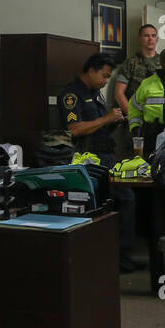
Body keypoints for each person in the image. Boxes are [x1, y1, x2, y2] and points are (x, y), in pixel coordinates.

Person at [59, 53, 144, 273]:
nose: (106, 81)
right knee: (121, 200)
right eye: (104, 76)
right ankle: (117, 257)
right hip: (89, 158)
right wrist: (106, 118)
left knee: (122, 201)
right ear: (91, 70)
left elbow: (96, 126)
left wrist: (114, 122)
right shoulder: (72, 95)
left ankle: (120, 254)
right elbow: (75, 129)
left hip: (106, 154)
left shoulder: (95, 94)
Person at [114, 23, 161, 118]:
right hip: (136, 113)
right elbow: (119, 93)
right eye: (146, 36)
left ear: (157, 39)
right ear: (140, 38)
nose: (150, 39)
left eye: (153, 36)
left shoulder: (163, 62)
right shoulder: (130, 63)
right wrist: (133, 115)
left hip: (158, 114)